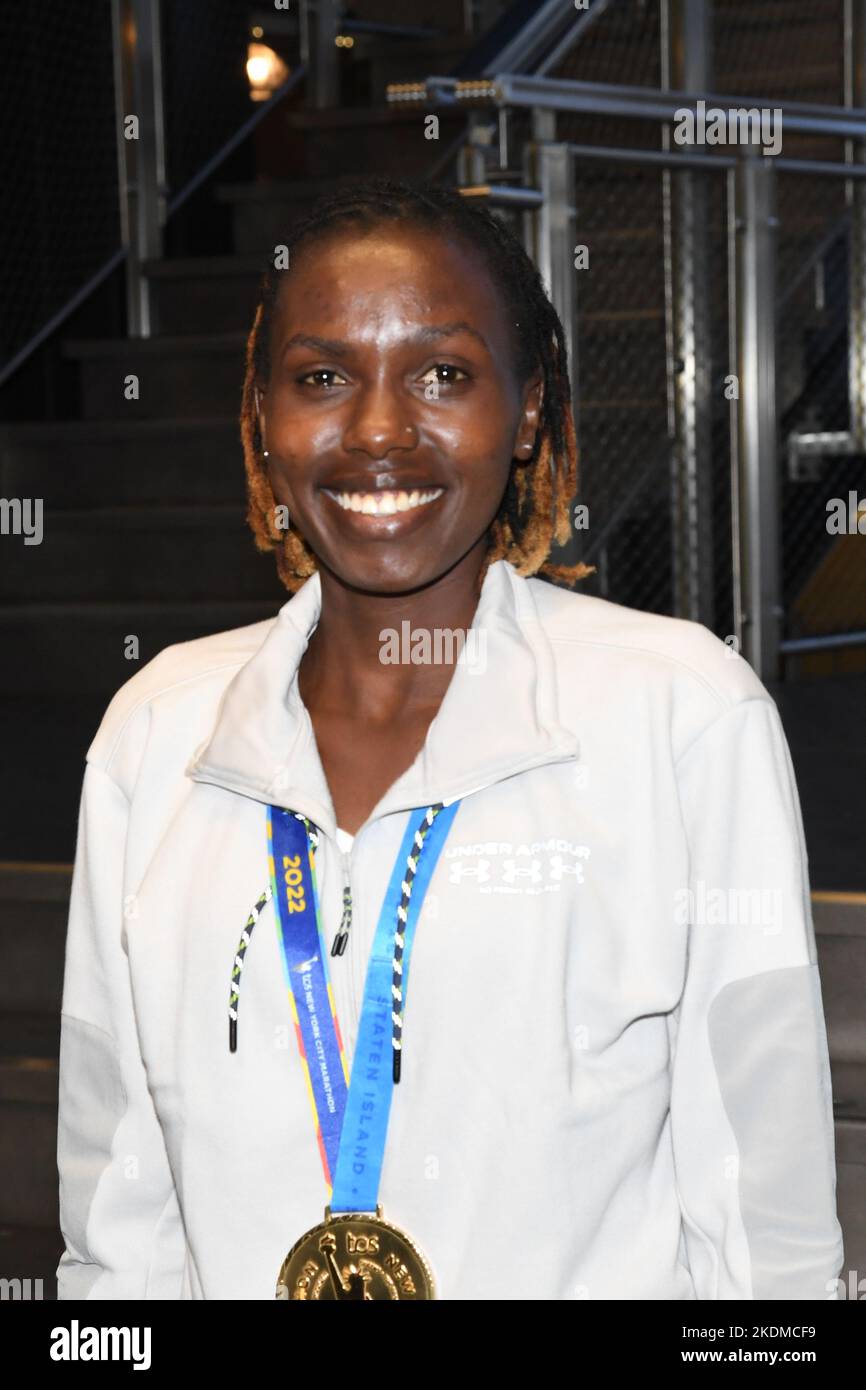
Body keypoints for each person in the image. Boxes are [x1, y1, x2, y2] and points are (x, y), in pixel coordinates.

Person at [56, 175, 844, 1300]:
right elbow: (116, 1229)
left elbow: (766, 1233)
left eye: (442, 374)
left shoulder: (678, 714)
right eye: (321, 377)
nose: (378, 429)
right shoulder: (154, 733)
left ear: (525, 411)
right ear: (263, 420)